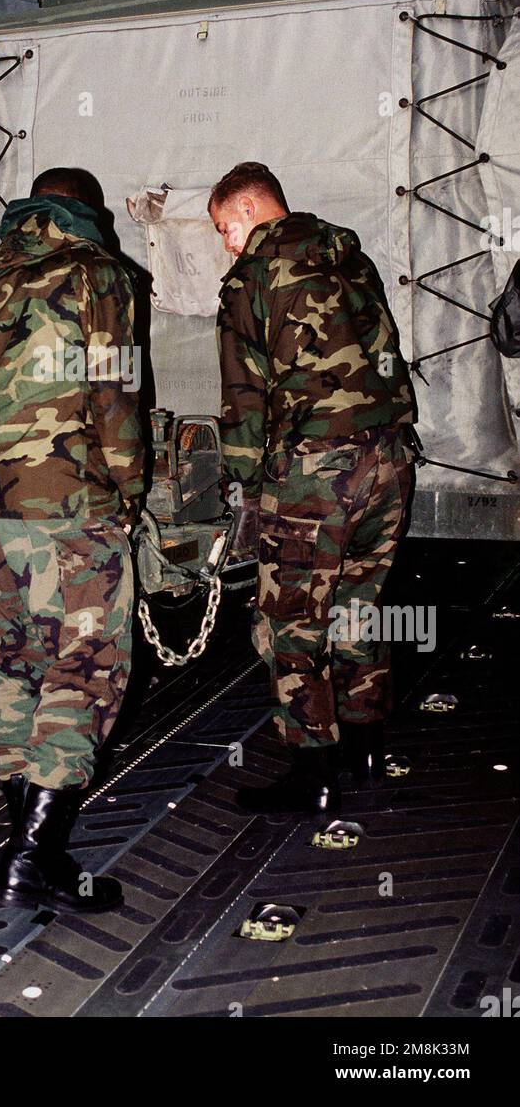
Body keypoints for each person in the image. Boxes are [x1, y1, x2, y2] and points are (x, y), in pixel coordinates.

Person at [0, 167, 144, 912]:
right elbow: (115, 390)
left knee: (18, 668)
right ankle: (33, 858)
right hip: (72, 502)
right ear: (86, 213)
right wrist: (128, 489)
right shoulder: (101, 272)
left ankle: (30, 846)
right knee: (87, 668)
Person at [209, 162, 417, 814]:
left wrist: (241, 489)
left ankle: (310, 772)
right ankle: (364, 746)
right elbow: (387, 354)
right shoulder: (348, 257)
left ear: (247, 210)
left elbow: (242, 397)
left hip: (315, 469)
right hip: (388, 455)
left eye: (223, 228)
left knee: (291, 620)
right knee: (360, 601)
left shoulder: (249, 277)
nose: (224, 244)